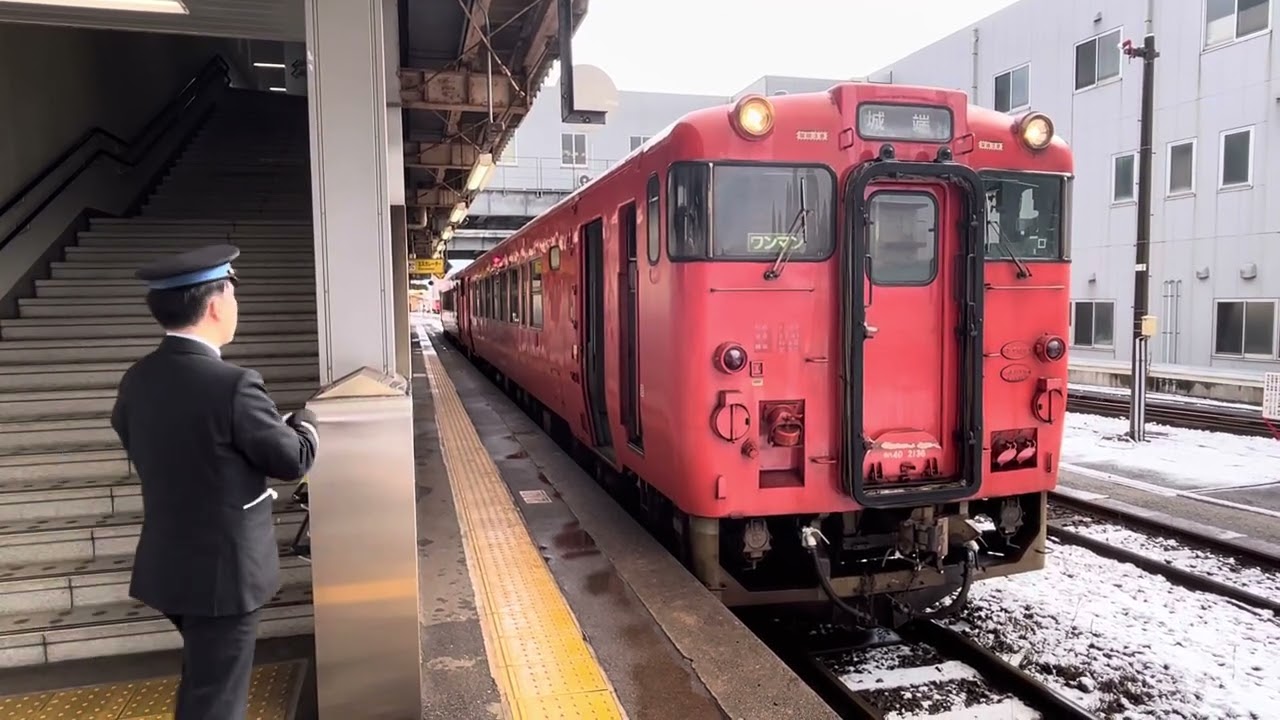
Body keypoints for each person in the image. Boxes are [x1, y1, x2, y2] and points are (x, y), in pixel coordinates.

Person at [110, 244, 320, 720]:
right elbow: (292, 459)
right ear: (215, 305)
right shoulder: (232, 384)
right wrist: (305, 422)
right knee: (217, 699)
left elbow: (149, 442)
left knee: (205, 679)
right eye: (233, 294)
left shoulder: (138, 378)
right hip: (223, 574)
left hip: (169, 565)